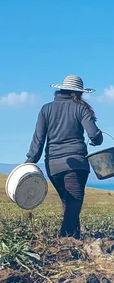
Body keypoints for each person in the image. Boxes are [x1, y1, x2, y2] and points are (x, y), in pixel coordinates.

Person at [25, 75, 103, 239]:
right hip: (76, 164)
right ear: (78, 93)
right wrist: (97, 140)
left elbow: (38, 140)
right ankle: (64, 240)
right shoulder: (80, 108)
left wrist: (28, 163)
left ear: (61, 90)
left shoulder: (46, 109)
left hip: (53, 166)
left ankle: (75, 240)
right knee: (74, 202)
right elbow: (94, 134)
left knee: (69, 204)